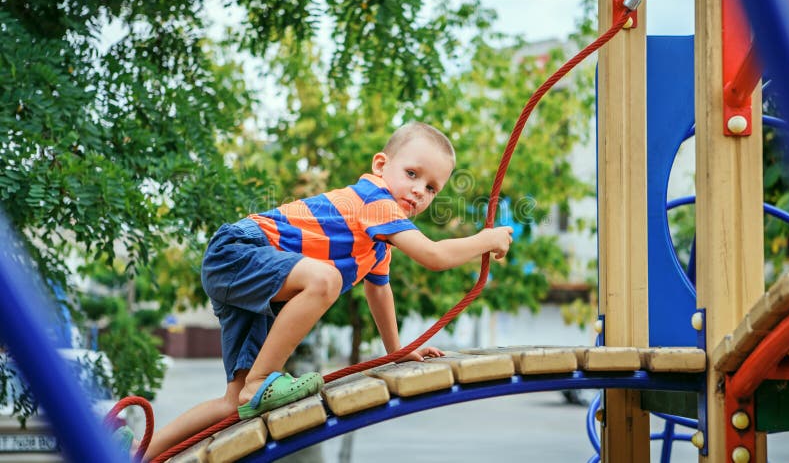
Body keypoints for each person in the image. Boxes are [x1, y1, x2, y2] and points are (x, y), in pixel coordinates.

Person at [141, 121, 513, 460]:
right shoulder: (376, 202)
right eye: (412, 174)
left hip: (251, 280)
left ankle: (140, 453)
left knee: (232, 404)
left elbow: (379, 293)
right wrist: (485, 239)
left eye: (431, 187)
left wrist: (396, 352)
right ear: (382, 166)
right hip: (239, 252)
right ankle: (259, 382)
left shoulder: (378, 244)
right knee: (326, 280)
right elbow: (432, 254)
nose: (419, 190)